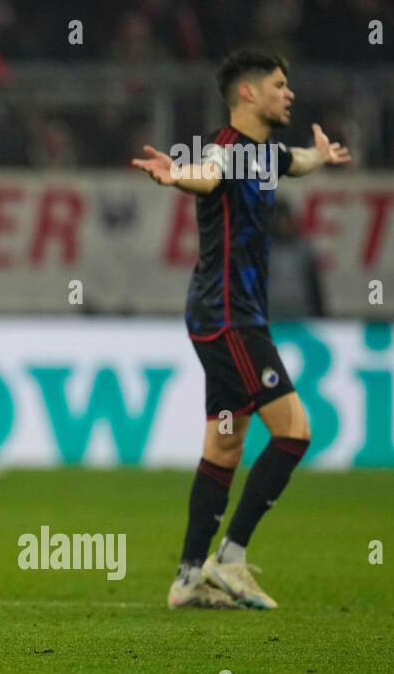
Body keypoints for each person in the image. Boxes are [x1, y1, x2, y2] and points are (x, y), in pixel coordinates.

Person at [132, 50, 351, 610]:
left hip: (228, 317)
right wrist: (173, 175)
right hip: (228, 317)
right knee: (295, 431)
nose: (290, 93)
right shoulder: (225, 151)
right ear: (248, 94)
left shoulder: (263, 154)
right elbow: (205, 178)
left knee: (226, 443)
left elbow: (293, 162)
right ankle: (229, 558)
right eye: (280, 84)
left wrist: (320, 157)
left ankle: (187, 577)